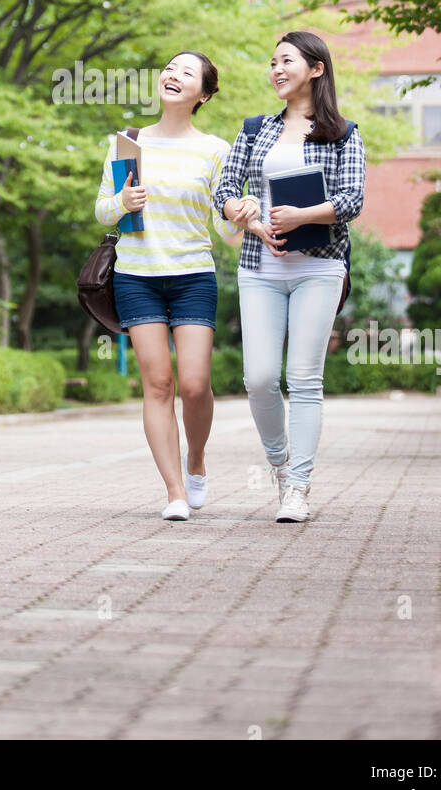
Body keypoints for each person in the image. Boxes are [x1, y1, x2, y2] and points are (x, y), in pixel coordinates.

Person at [94, 52, 257, 521]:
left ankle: (197, 459)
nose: (173, 75)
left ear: (202, 94)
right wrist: (121, 202)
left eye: (187, 72)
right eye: (169, 68)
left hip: (192, 276)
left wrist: (240, 218)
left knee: (194, 383)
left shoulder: (215, 150)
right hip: (136, 276)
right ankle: (174, 492)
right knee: (158, 383)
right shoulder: (127, 142)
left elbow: (223, 231)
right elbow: (103, 212)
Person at [214, 31, 366, 523]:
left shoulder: (343, 133)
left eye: (287, 61)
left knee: (304, 379)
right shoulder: (255, 128)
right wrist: (248, 217)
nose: (276, 69)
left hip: (320, 267)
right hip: (260, 267)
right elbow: (224, 191)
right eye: (272, 62)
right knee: (258, 379)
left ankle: (298, 487)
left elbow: (351, 200)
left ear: (316, 68)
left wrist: (301, 216)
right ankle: (279, 465)